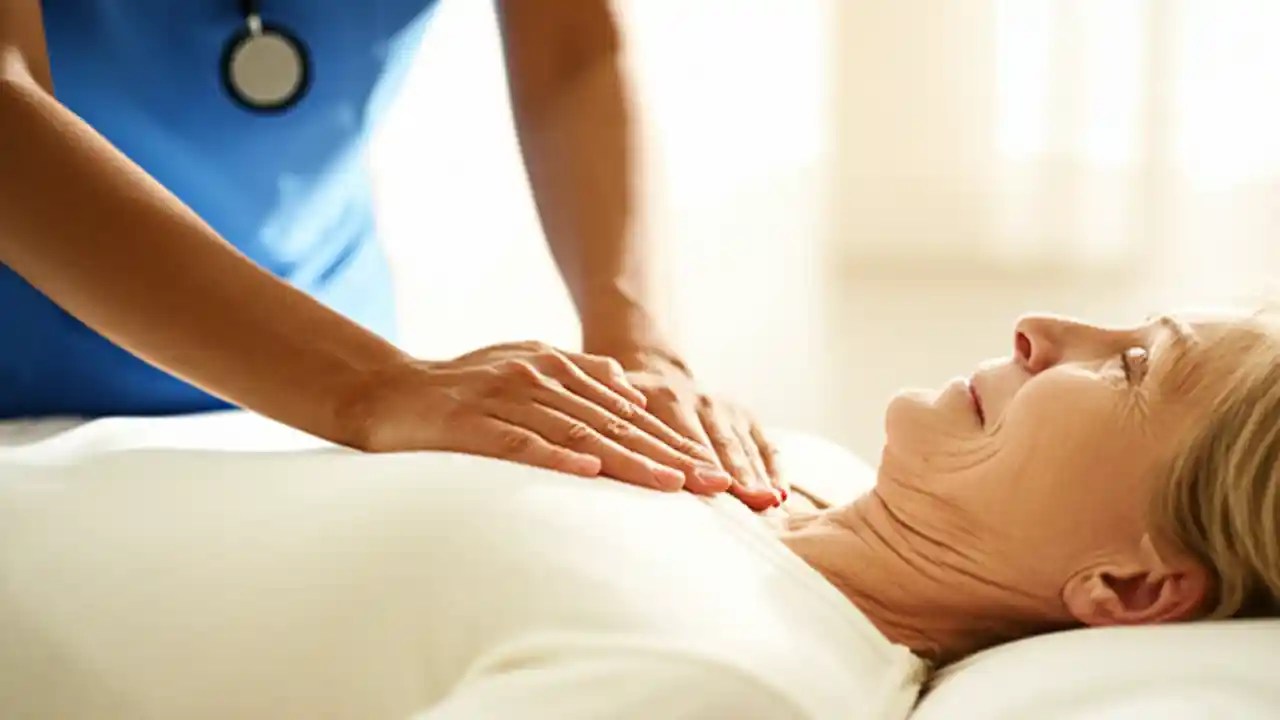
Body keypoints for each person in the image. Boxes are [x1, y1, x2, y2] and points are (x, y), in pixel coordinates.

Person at [3, 311, 1278, 718]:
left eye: (1129, 367)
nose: (1043, 327)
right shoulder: (787, 466)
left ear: (1127, 588)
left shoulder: (721, 682)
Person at [0, 1, 785, 511]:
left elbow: (574, 52)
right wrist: (366, 387)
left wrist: (641, 355)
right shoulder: (370, 392)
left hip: (326, 400)